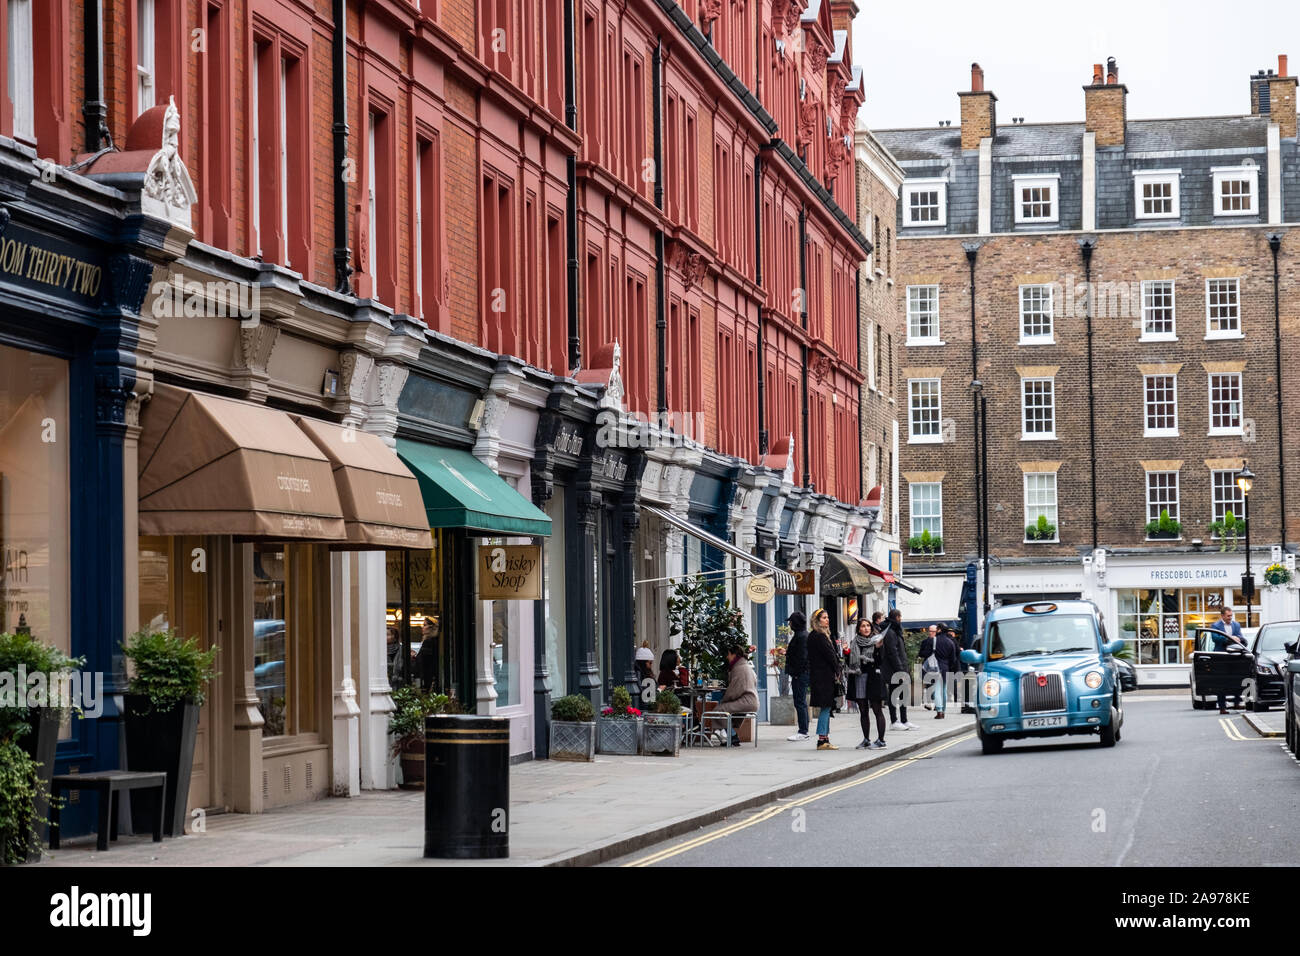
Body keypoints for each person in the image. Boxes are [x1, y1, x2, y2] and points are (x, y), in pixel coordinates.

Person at [847, 617, 887, 748]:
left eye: (868, 626)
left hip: (873, 678)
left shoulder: (877, 641)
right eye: (863, 626)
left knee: (877, 710)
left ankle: (881, 740)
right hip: (859, 677)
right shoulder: (854, 642)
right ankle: (866, 739)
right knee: (863, 710)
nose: (866, 628)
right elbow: (850, 662)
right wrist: (846, 653)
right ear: (858, 629)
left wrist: (878, 649)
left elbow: (881, 661)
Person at [808, 607, 841, 750]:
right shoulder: (819, 636)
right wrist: (837, 669)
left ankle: (825, 738)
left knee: (827, 707)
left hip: (820, 676)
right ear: (817, 621)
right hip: (823, 677)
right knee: (826, 707)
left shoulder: (817, 635)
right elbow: (830, 656)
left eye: (827, 617)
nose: (827, 620)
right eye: (824, 618)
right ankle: (822, 740)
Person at [715, 643, 759, 746]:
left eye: (728, 654)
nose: (727, 657)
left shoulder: (739, 669)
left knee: (719, 710)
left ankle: (732, 736)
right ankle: (730, 734)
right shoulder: (746, 666)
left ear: (733, 655)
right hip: (751, 701)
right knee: (723, 709)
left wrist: (724, 700)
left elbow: (734, 691)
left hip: (746, 702)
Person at [882, 609, 917, 730]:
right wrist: (900, 670)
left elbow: (900, 652)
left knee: (903, 694)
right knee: (894, 694)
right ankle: (894, 721)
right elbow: (893, 653)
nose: (901, 619)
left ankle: (904, 720)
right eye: (900, 616)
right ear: (897, 617)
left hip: (900, 668)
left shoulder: (895, 631)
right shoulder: (891, 632)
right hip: (895, 670)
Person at [1210, 606, 1248, 714]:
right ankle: (1222, 707)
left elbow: (1240, 636)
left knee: (1236, 680)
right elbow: (1215, 638)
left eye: (1231, 615)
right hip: (1221, 657)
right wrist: (1229, 638)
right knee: (1221, 683)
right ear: (1222, 615)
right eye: (1228, 616)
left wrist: (1239, 638)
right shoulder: (1215, 625)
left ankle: (1237, 703)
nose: (1230, 618)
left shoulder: (1236, 625)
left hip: (1234, 656)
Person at [919, 624, 960, 719]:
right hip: (945, 668)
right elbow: (953, 658)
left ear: (940, 630)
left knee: (937, 689)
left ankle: (939, 711)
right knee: (944, 690)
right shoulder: (950, 642)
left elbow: (924, 654)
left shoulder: (933, 640)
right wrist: (949, 667)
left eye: (937, 629)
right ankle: (944, 710)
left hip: (935, 668)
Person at [785, 611, 811, 741]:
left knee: (800, 702)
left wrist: (796, 673)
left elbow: (802, 658)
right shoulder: (801, 635)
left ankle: (803, 731)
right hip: (800, 673)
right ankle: (803, 730)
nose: (789, 624)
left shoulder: (801, 637)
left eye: (791, 622)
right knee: (801, 702)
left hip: (800, 674)